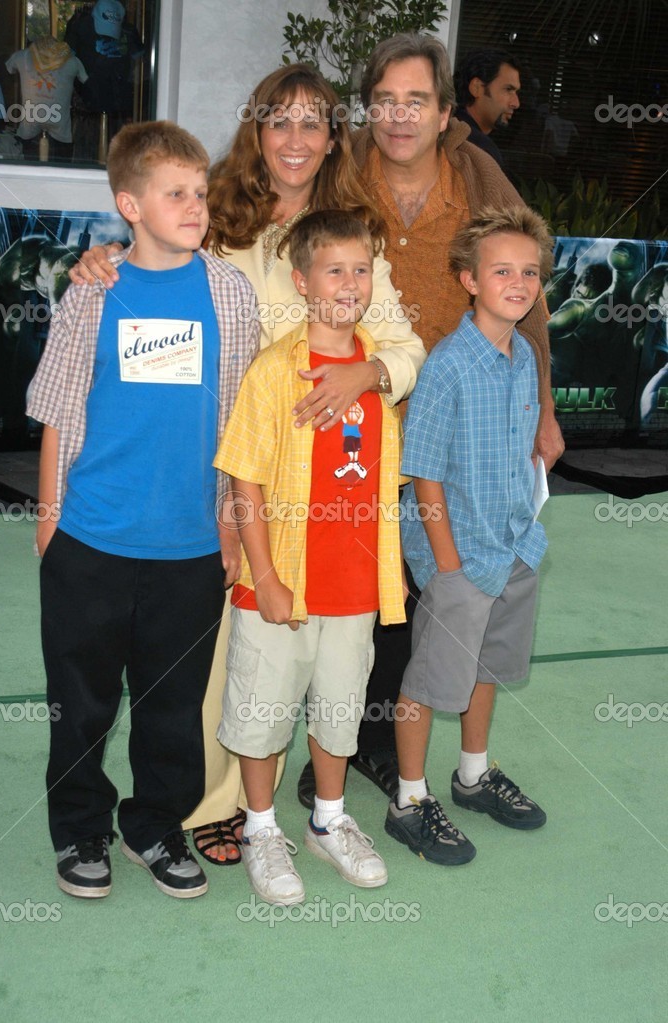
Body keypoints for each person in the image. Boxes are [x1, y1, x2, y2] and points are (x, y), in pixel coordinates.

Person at [67, 63, 425, 866]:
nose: (295, 140)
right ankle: (213, 802)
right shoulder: (216, 217)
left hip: (320, 483)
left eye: (313, 123)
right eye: (279, 120)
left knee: (307, 642)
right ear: (256, 131)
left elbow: (404, 347)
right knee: (221, 643)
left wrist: (362, 374)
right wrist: (101, 262)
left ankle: (306, 804)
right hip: (215, 466)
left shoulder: (352, 232)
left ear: (334, 136)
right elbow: (152, 255)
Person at [296, 32, 564, 807]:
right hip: (362, 413)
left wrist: (542, 401)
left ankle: (424, 762)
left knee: (446, 589)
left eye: (417, 100)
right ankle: (370, 750)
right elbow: (265, 201)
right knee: (374, 596)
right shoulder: (343, 168)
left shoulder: (477, 172)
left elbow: (526, 284)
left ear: (446, 112)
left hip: (465, 423)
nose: (399, 116)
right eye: (384, 100)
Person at [27, 120, 259, 899]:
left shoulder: (229, 291)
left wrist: (228, 522)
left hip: (189, 547)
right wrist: (50, 512)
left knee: (171, 707)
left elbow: (237, 420)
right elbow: (59, 406)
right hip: (91, 538)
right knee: (83, 702)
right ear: (130, 203)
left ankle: (154, 827)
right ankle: (81, 829)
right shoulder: (94, 289)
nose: (195, 205)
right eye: (175, 193)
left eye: (199, 192)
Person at [214, 209, 406, 904]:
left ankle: (329, 819)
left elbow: (387, 473)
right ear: (302, 281)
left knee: (339, 709)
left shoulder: (377, 377)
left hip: (353, 585)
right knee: (262, 709)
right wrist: (262, 574)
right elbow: (245, 473)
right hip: (283, 582)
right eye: (335, 269)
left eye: (361, 269)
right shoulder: (273, 370)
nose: (350, 283)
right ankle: (262, 827)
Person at [386, 205, 552, 865]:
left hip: (511, 545)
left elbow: (520, 454)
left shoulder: (524, 355)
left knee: (487, 668)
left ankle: (474, 775)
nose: (518, 282)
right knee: (428, 680)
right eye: (502, 270)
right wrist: (448, 565)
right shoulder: (447, 365)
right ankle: (407, 798)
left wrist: (523, 534)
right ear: (468, 280)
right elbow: (422, 472)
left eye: (530, 271)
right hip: (458, 555)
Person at [453, 49, 522, 169]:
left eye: (516, 92)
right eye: (508, 89)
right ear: (477, 88)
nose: (516, 103)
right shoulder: (479, 150)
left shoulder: (447, 130)